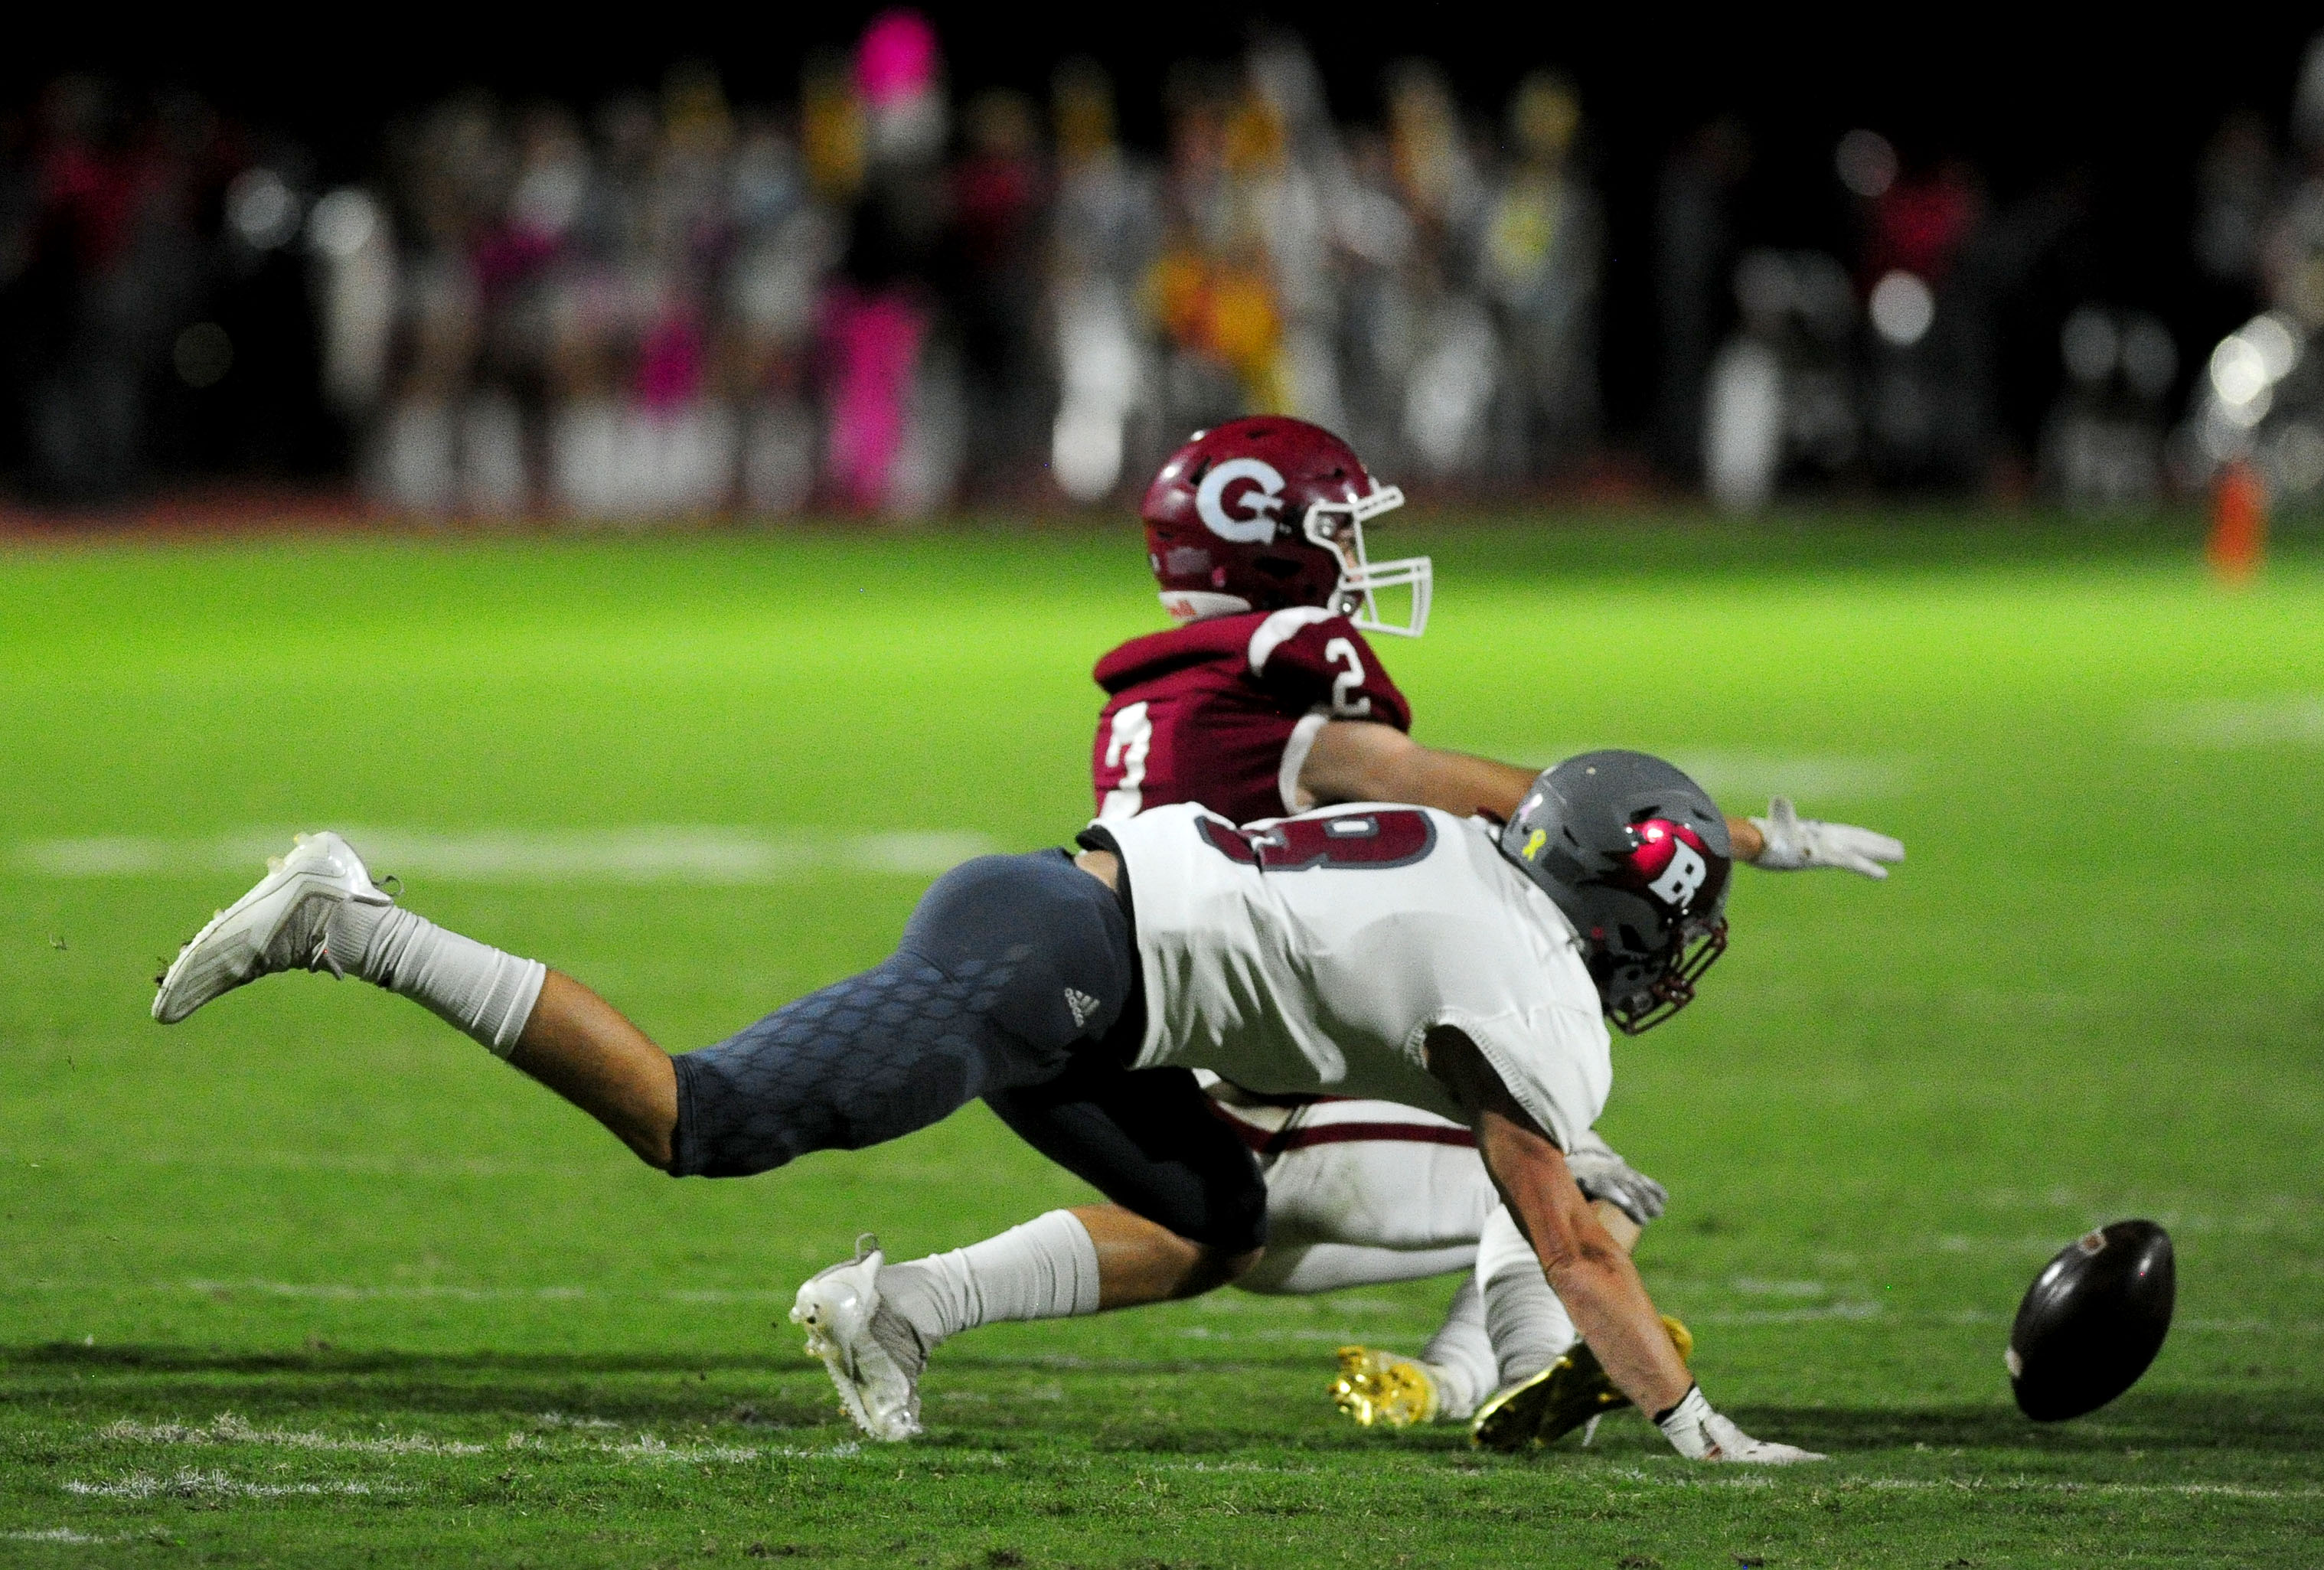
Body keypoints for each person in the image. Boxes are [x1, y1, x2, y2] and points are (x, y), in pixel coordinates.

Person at [152, 749, 1821, 1465]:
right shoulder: (1534, 989)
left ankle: (896, 1320)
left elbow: (1382, 977)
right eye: (1676, 920)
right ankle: (351, 919)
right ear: (1615, 907)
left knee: (1221, 1213)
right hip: (1058, 968)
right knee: (704, 1119)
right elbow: (1578, 1256)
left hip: (1105, 977)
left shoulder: (1478, 851)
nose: (1676, 958)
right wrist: (1694, 1426)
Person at [891, 416, 1898, 1450]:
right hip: (1272, 1095)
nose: (1356, 555)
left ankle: (910, 1302)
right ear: (1265, 541)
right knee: (1582, 1178)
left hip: (1180, 1064)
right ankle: (1504, 1369)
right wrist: (1727, 838)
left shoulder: (1177, 701)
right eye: (1336, 528)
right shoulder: (1286, 719)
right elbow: (1530, 805)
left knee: (1224, 1240)